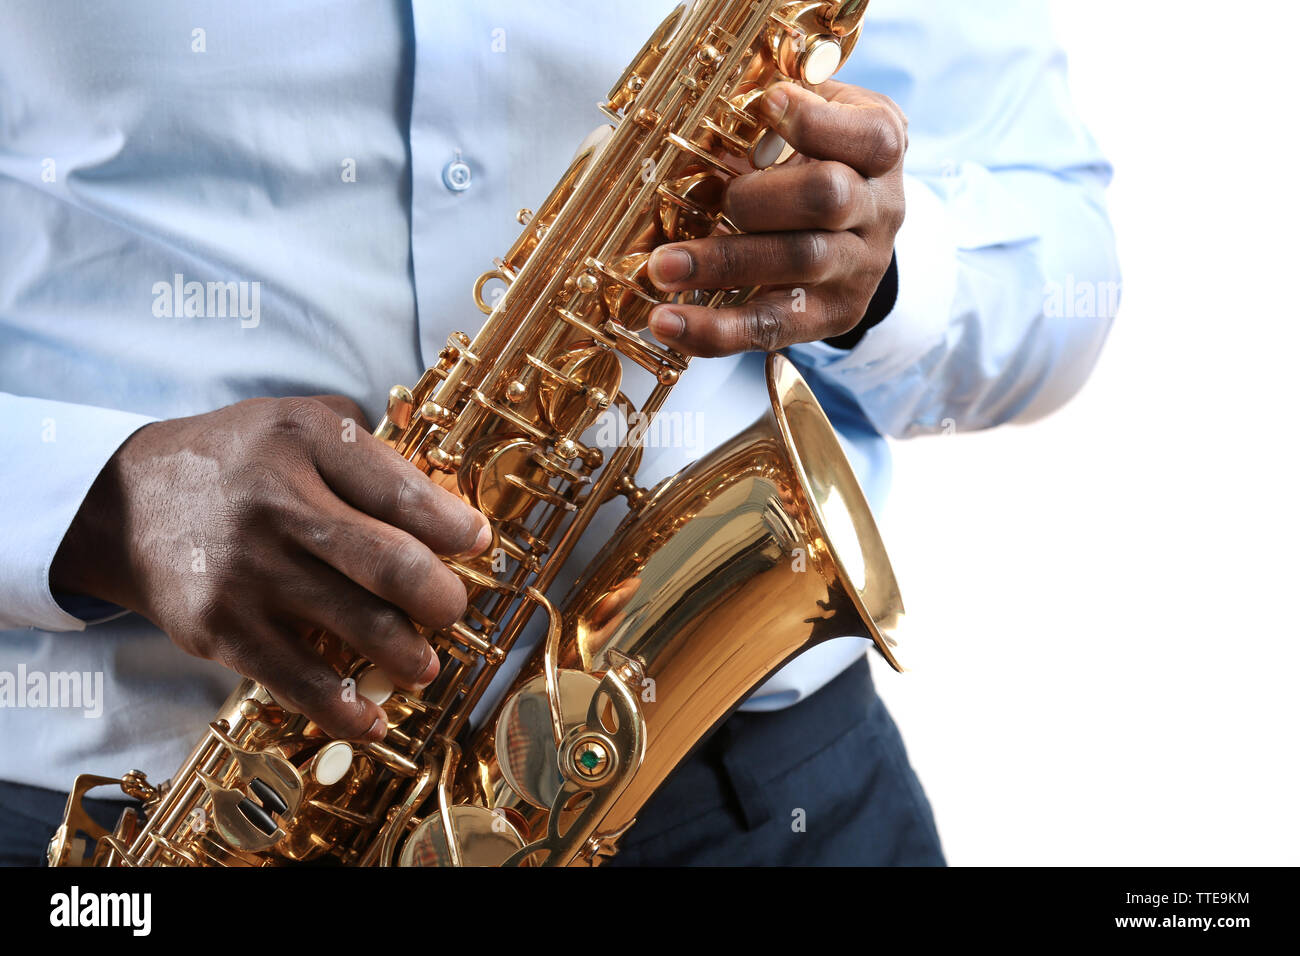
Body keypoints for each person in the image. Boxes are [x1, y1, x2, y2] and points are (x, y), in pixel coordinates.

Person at [0, 0, 1118, 866]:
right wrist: (92, 498)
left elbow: (1061, 254)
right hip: (174, 816)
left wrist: (879, 276)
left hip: (758, 807)